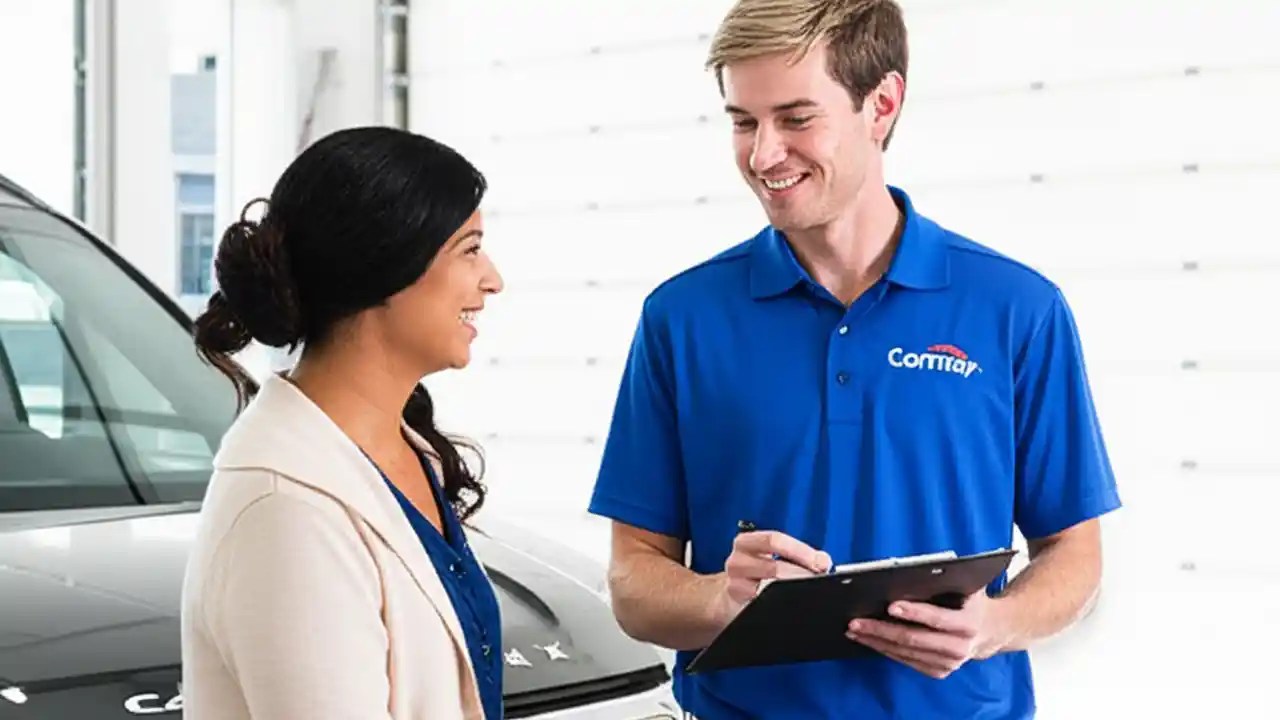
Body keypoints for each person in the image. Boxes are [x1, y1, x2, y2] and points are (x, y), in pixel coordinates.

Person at [587, 1, 1121, 718]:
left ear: (883, 104)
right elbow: (633, 583)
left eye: (796, 118)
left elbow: (1074, 556)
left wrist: (993, 626)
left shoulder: (1017, 308)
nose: (763, 154)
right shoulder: (681, 319)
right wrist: (718, 596)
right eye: (743, 121)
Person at [181, 126, 505, 720]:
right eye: (469, 249)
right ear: (386, 270)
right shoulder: (283, 508)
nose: (492, 279)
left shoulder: (406, 454)